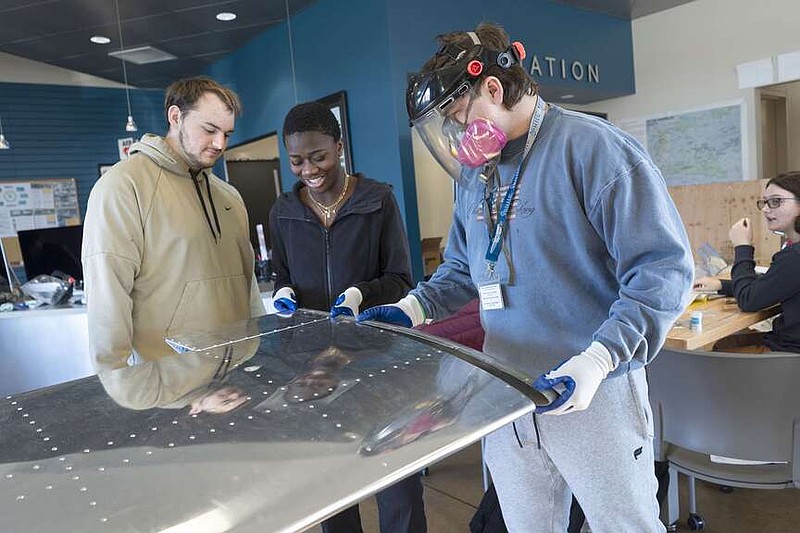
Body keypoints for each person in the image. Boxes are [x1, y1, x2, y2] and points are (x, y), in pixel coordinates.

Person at [358, 23, 693, 532]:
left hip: (593, 389)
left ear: (493, 88)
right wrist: (413, 308)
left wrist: (599, 359)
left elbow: (662, 270)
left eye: (458, 117)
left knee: (624, 525)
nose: (457, 136)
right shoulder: (475, 174)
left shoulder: (593, 150)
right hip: (508, 393)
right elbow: (463, 269)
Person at [268, 101, 424, 533]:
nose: (308, 170)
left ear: (339, 147)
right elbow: (283, 275)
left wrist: (360, 294)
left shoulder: (377, 200)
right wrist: (283, 292)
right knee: (332, 484)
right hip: (312, 368)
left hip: (378, 363)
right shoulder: (283, 211)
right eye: (296, 160)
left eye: (318, 157)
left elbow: (400, 279)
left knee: (397, 483)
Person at [82, 76, 265, 373]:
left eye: (227, 134)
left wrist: (258, 354)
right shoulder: (122, 187)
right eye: (209, 130)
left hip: (238, 372)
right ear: (176, 116)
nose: (220, 144)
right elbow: (107, 299)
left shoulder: (229, 196)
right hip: (168, 380)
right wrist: (118, 385)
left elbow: (249, 287)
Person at [694, 171, 800, 353]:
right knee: (727, 343)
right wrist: (721, 285)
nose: (766, 209)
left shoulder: (794, 256)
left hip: (789, 353)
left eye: (776, 201)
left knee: (716, 350)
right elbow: (775, 285)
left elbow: (749, 301)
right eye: (765, 202)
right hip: (789, 344)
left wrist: (742, 245)